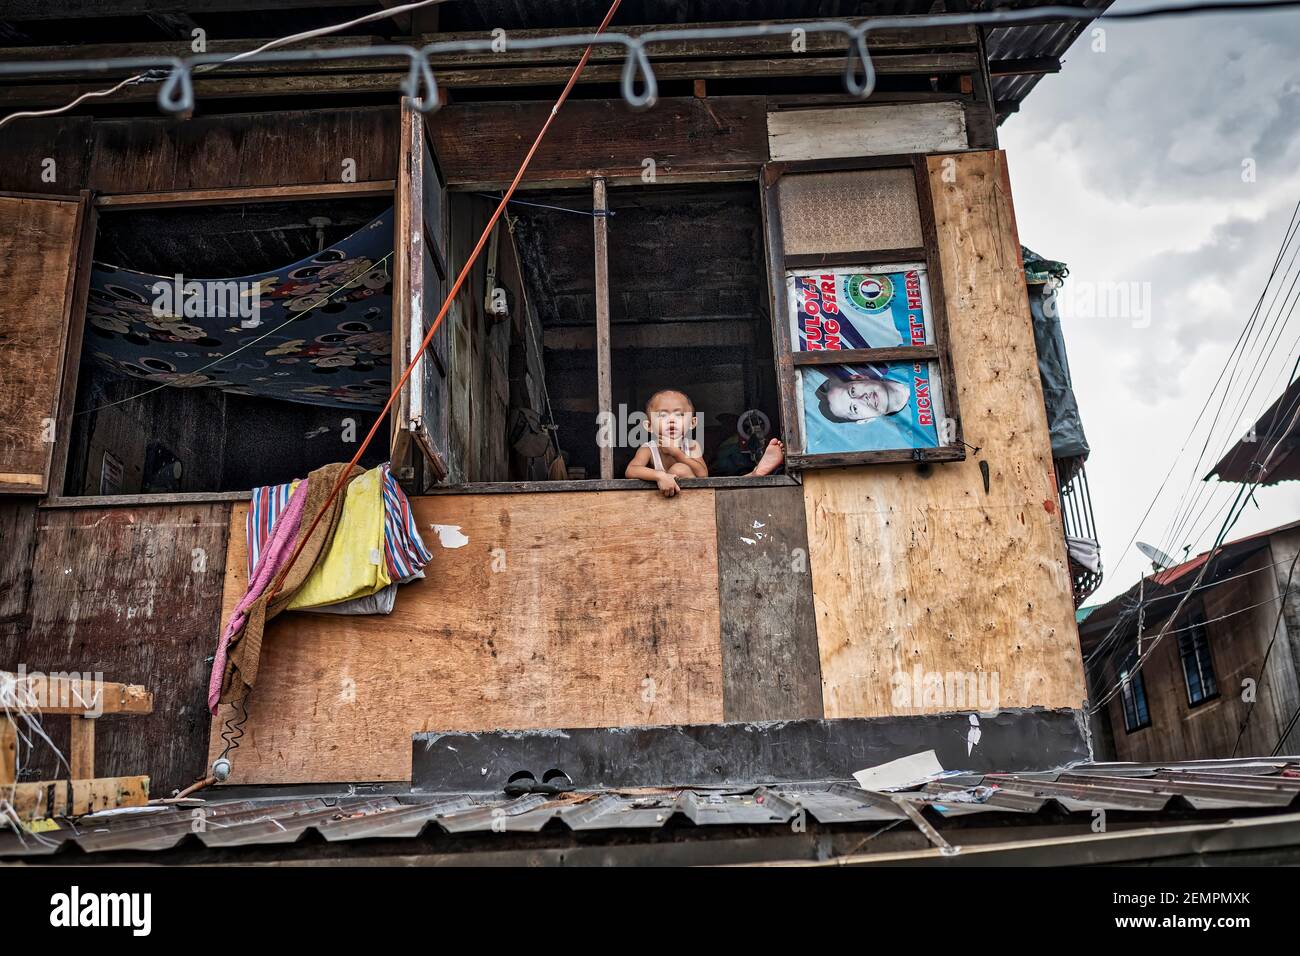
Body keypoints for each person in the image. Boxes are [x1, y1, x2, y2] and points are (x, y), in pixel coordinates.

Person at [626, 389, 784, 497]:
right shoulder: (648, 448)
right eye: (662, 416)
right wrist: (659, 476)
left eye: (679, 415)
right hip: (664, 503)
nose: (671, 421)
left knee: (680, 468)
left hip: (695, 498)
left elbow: (703, 474)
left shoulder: (692, 445)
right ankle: (753, 475)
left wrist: (677, 453)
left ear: (692, 423)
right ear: (648, 425)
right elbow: (631, 470)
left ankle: (755, 474)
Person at [815, 368, 911, 423]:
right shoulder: (915, 434)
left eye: (852, 391)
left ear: (859, 377)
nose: (862, 399)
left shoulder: (901, 357)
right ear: (866, 420)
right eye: (854, 408)